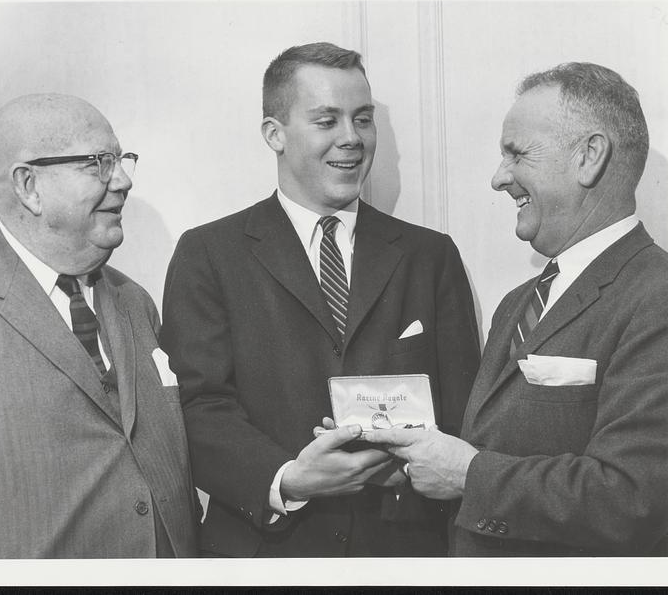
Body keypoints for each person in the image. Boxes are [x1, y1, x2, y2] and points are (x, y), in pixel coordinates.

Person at [160, 42, 480, 557]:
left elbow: (466, 407)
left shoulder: (430, 255)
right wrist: (288, 478)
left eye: (363, 119)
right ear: (274, 134)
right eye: (327, 120)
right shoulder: (208, 254)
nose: (351, 139)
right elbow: (197, 406)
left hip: (402, 551)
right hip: (266, 553)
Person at [364, 62, 668, 556]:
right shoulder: (517, 304)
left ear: (589, 157)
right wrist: (410, 461)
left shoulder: (664, 297)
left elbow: (634, 496)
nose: (498, 178)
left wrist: (466, 473)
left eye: (517, 154)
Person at [0, 93, 198, 558]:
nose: (123, 181)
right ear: (28, 186)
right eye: (98, 163)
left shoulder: (134, 301)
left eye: (121, 160)